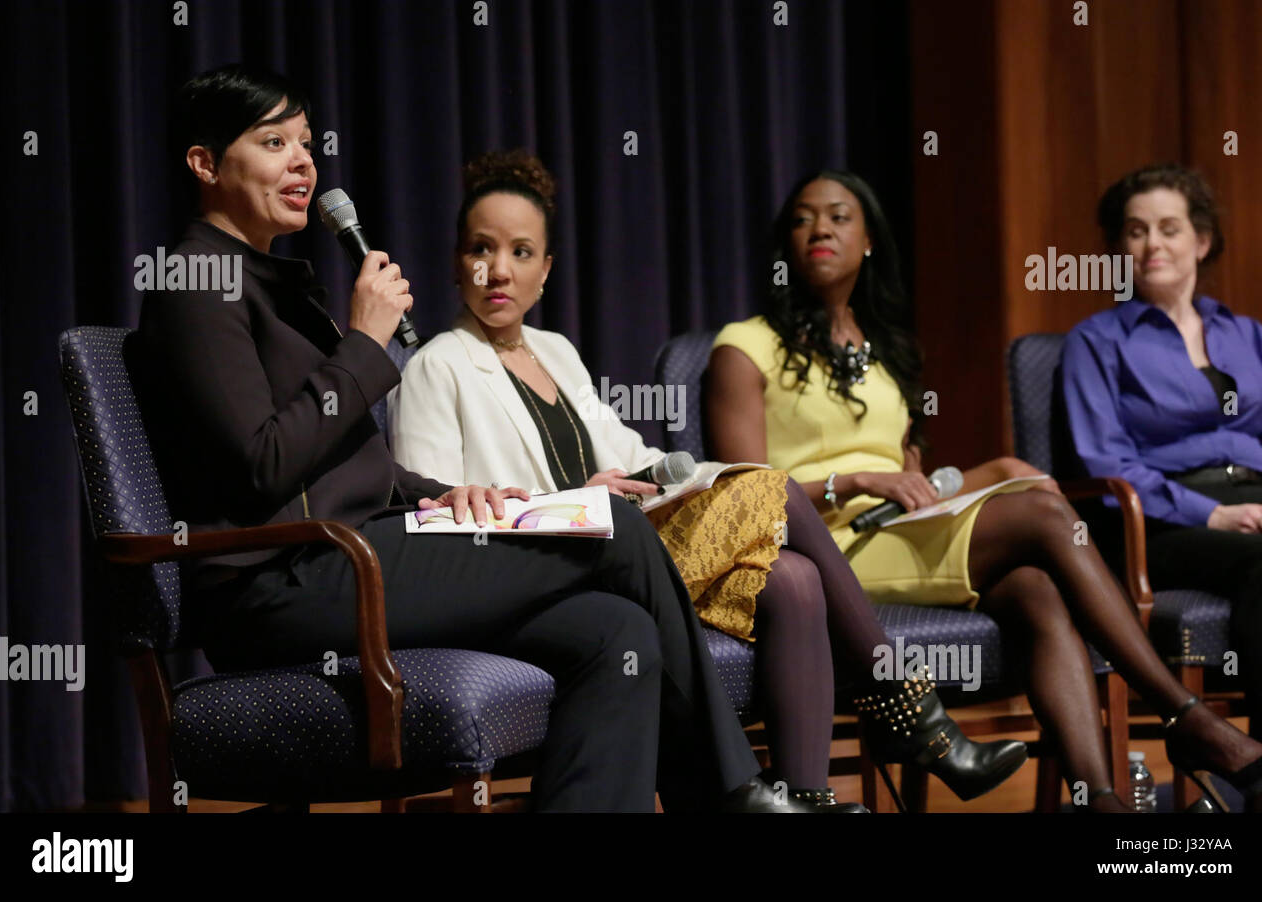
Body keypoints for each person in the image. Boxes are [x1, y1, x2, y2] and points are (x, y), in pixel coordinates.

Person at [130, 64, 829, 814]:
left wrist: (442, 494)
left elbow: (340, 462)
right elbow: (262, 463)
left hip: (350, 554)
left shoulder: (268, 282)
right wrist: (365, 346)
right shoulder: (193, 283)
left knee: (615, 632)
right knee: (618, 531)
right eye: (274, 142)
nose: (304, 161)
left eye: (305, 142)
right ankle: (728, 795)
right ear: (204, 163)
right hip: (287, 587)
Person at [391, 149, 1026, 807]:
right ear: (455, 260)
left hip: (620, 548)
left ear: (546, 270)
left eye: (521, 252)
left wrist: (677, 478)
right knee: (772, 487)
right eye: (481, 249)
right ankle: (906, 705)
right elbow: (436, 528)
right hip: (547, 572)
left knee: (795, 576)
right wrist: (577, 498)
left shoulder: (556, 353)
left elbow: (634, 456)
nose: (499, 270)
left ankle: (805, 796)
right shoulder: (436, 366)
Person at [706, 168, 1262, 811]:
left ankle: (1100, 801)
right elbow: (744, 494)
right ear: (785, 242)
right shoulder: (744, 346)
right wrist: (852, 479)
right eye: (804, 218)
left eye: (840, 216)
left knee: (1036, 588)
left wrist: (995, 468)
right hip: (822, 552)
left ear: (869, 240)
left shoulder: (884, 352)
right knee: (1042, 517)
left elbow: (911, 480)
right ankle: (1183, 715)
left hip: (896, 529)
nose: (821, 229)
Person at [1062, 163, 1262, 808]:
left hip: (1259, 508)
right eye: (1135, 231)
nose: (1152, 243)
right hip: (1157, 525)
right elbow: (1107, 465)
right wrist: (1210, 514)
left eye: (1168, 228)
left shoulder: (1249, 335)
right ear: (1118, 249)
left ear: (1201, 241)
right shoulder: (1096, 341)